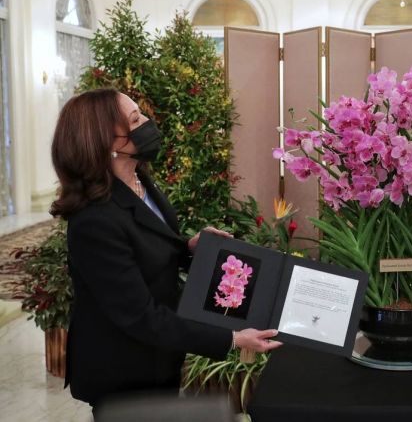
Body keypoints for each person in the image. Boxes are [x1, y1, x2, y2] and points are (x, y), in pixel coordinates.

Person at [50, 88, 283, 410]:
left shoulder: (139, 181)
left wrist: (188, 248)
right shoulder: (94, 221)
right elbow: (140, 316)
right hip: (122, 368)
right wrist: (232, 339)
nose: (148, 122)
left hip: (159, 355)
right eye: (135, 119)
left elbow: (146, 249)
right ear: (108, 142)